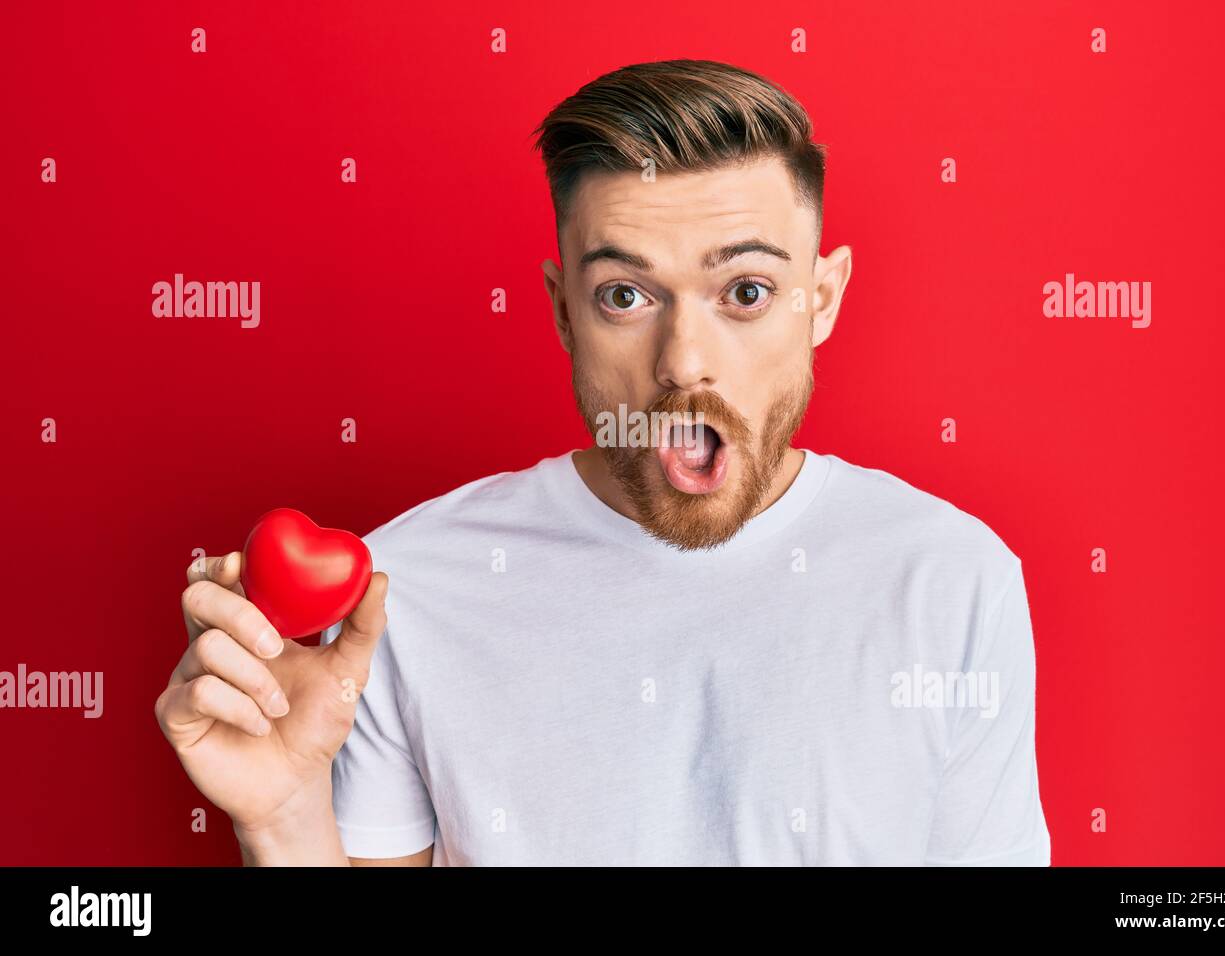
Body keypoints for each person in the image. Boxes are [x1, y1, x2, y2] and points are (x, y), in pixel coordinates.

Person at [156, 59, 1051, 866]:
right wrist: (284, 822)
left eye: (746, 291)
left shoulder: (951, 581)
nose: (683, 362)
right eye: (625, 295)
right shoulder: (405, 592)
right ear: (563, 312)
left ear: (820, 301)